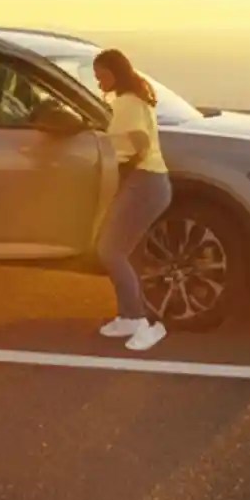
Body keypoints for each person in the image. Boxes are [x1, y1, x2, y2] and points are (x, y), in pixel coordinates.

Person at [92, 48, 171, 351]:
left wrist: (121, 164)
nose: (99, 83)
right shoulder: (132, 99)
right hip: (150, 182)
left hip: (145, 181)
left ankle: (143, 321)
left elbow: (138, 142)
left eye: (102, 76)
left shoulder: (127, 103)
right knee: (122, 251)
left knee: (110, 250)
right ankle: (130, 317)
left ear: (116, 71)